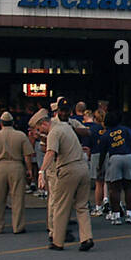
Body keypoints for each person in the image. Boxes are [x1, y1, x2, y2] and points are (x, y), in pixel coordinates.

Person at [34, 100, 94, 251]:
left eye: (39, 128)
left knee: (61, 206)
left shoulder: (54, 131)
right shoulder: (67, 127)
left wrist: (42, 171)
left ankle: (57, 240)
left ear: (43, 123)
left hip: (68, 169)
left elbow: (50, 152)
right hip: (83, 167)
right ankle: (86, 237)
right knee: (82, 206)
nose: (40, 132)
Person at [0, 111, 33, 234]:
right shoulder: (21, 135)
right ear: (13, 123)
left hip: (0, 168)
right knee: (18, 198)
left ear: (1, 123)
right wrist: (29, 169)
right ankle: (18, 226)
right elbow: (27, 155)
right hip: (16, 167)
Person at [99, 112, 131, 224]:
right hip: (128, 156)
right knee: (128, 187)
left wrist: (100, 167)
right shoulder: (126, 130)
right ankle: (130, 214)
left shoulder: (106, 134)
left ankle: (116, 215)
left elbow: (103, 152)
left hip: (115, 158)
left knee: (114, 188)